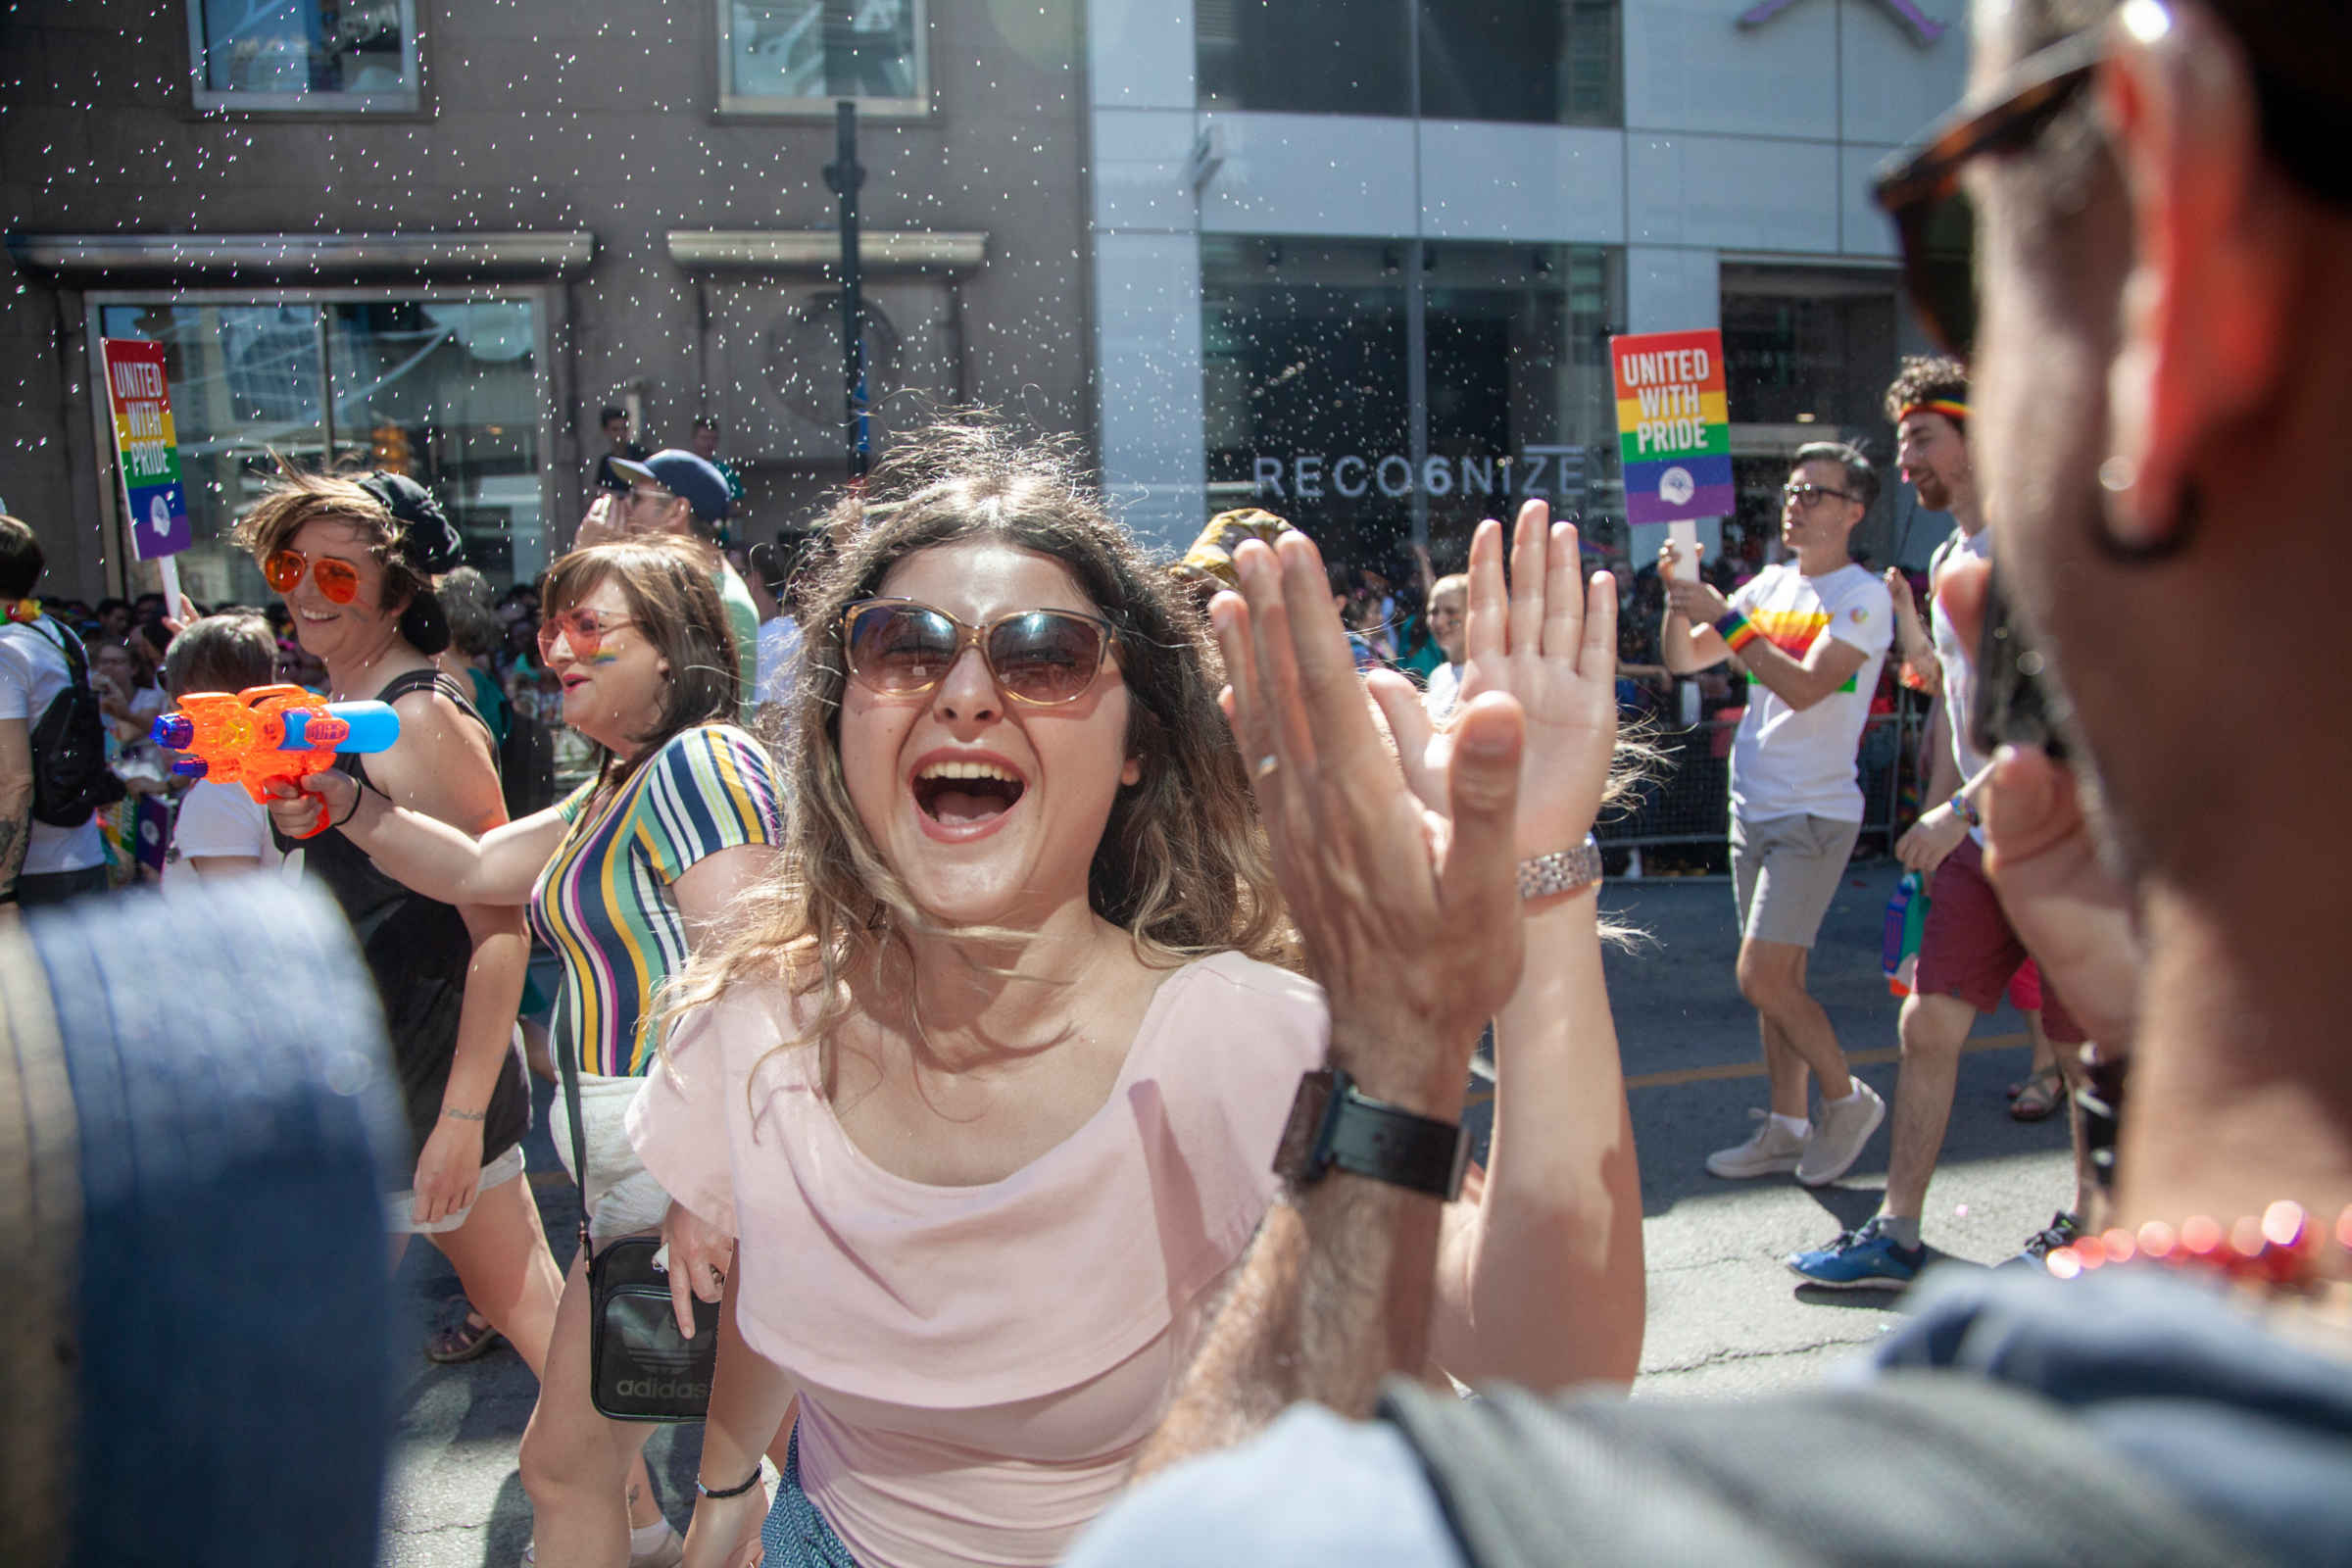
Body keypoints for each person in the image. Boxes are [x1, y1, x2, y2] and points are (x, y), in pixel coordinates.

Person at [1068, 5, 2352, 1563]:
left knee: (1777, 979)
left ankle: (1839, 1124)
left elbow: (1231, 1527)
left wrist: (1401, 1036)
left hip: (1826, 815)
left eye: (1965, 247)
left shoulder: (1535, 1527)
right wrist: (2147, 1077)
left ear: (2183, 266)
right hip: (1775, 811)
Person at [626, 424, 1642, 1568]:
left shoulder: (1230, 1035)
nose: (967, 693)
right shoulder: (758, 1016)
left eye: (1047, 656)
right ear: (836, 722)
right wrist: (726, 1490)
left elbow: (1546, 1357)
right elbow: (771, 1277)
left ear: (1135, 749)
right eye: (904, 646)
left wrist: (1544, 875)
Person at [268, 533, 783, 1568]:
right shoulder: (623, 784)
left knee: (612, 1465)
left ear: (674, 647)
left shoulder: (700, 765)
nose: (556, 647)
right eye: (551, 626)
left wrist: (712, 1185)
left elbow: (754, 974)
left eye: (590, 625)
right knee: (693, 1461)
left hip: (681, 1174)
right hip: (646, 1182)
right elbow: (473, 867)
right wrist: (348, 804)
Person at [231, 465, 600, 1512]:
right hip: (382, 1064)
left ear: (399, 591)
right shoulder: (349, 706)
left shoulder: (419, 716)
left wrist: (463, 1120)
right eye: (289, 567)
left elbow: (497, 922)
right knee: (525, 1304)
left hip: (419, 1076)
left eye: (338, 573)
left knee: (309, 1321)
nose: (307, 592)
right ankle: (639, 1514)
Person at [1787, 365, 2093, 1288]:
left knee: (2080, 1052)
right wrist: (1948, 806)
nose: (1905, 459)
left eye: (1923, 438)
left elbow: (2058, 718)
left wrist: (1955, 812)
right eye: (1903, 440)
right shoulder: (1954, 556)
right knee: (1926, 1026)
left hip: (2065, 848)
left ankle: (2096, 1228)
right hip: (1983, 841)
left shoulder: (2033, 552)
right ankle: (1897, 1233)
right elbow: (1968, 715)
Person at [1660, 443, 1895, 1189]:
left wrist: (1725, 618)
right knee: (1777, 983)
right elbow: (1683, 659)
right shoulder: (1769, 583)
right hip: (1754, 806)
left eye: (1814, 493)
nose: (1795, 503)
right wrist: (1679, 596)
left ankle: (1846, 1099)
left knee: (1763, 977)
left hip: (1814, 811)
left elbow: (1803, 687)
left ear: (1854, 512)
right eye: (1792, 490)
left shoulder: (1865, 597)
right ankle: (1788, 1127)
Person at [579, 449, 761, 720]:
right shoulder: (684, 588)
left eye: (637, 497)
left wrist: (587, 562)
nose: (625, 507)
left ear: (677, 510)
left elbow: (598, 669)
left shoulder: (719, 600)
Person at [0, 514, 112, 908]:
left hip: (32, 877)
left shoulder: (5, 650)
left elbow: (15, 781)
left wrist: (4, 893)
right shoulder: (55, 632)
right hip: (80, 855)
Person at [158, 612, 290, 884]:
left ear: (189, 694)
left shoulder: (221, 787)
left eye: (167, 681)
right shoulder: (281, 753)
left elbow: (235, 906)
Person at [1420, 571, 1469, 721]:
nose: (1439, 622)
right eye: (1433, 612)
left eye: (1451, 612)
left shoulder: (1492, 677)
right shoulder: (1437, 676)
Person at [689, 415, 747, 508]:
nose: (709, 443)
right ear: (694, 439)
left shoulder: (725, 472)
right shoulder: (684, 469)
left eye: (713, 439)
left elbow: (737, 507)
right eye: (704, 438)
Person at [592, 405, 648, 496]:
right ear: (606, 431)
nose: (621, 434)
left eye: (624, 428)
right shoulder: (606, 462)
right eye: (615, 429)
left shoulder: (641, 455)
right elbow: (599, 490)